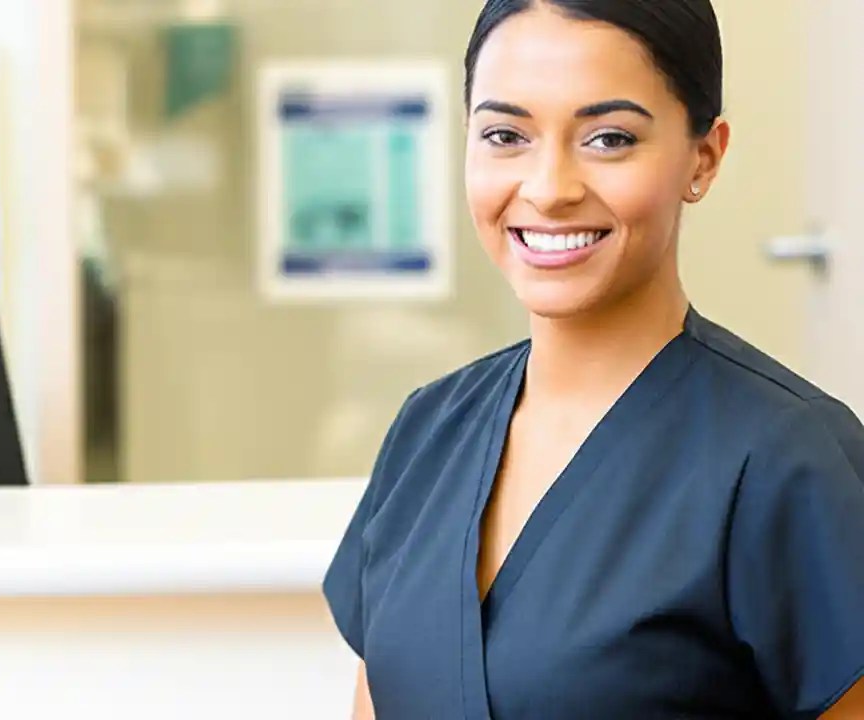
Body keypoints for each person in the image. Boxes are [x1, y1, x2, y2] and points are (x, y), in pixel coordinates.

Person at [322, 1, 864, 717]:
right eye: (505, 134)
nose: (549, 188)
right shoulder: (429, 431)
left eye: (609, 139)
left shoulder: (790, 460)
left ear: (703, 157)